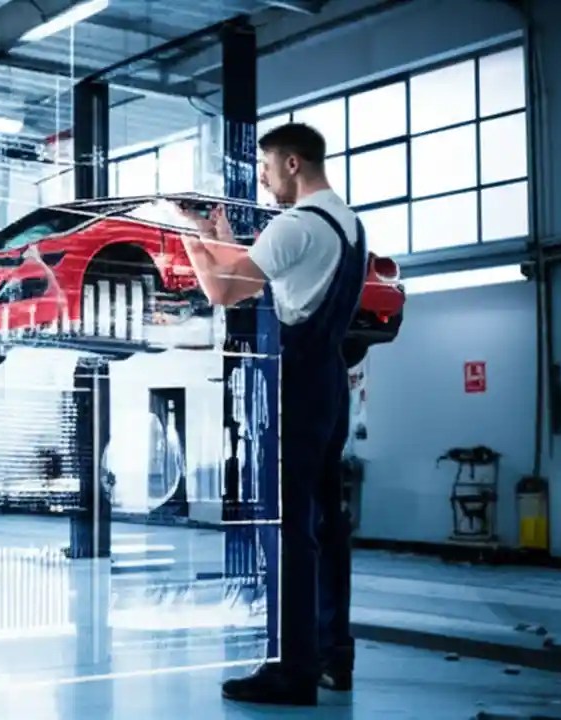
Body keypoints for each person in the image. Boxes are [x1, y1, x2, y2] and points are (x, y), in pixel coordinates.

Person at [174, 122, 363, 706]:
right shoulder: (346, 223)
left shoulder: (296, 224)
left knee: (289, 527)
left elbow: (223, 291)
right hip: (332, 380)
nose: (260, 177)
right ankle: (333, 656)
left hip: (301, 381)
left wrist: (186, 239)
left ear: (292, 165)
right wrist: (219, 234)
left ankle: (291, 669)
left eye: (265, 165)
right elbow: (263, 269)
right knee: (326, 521)